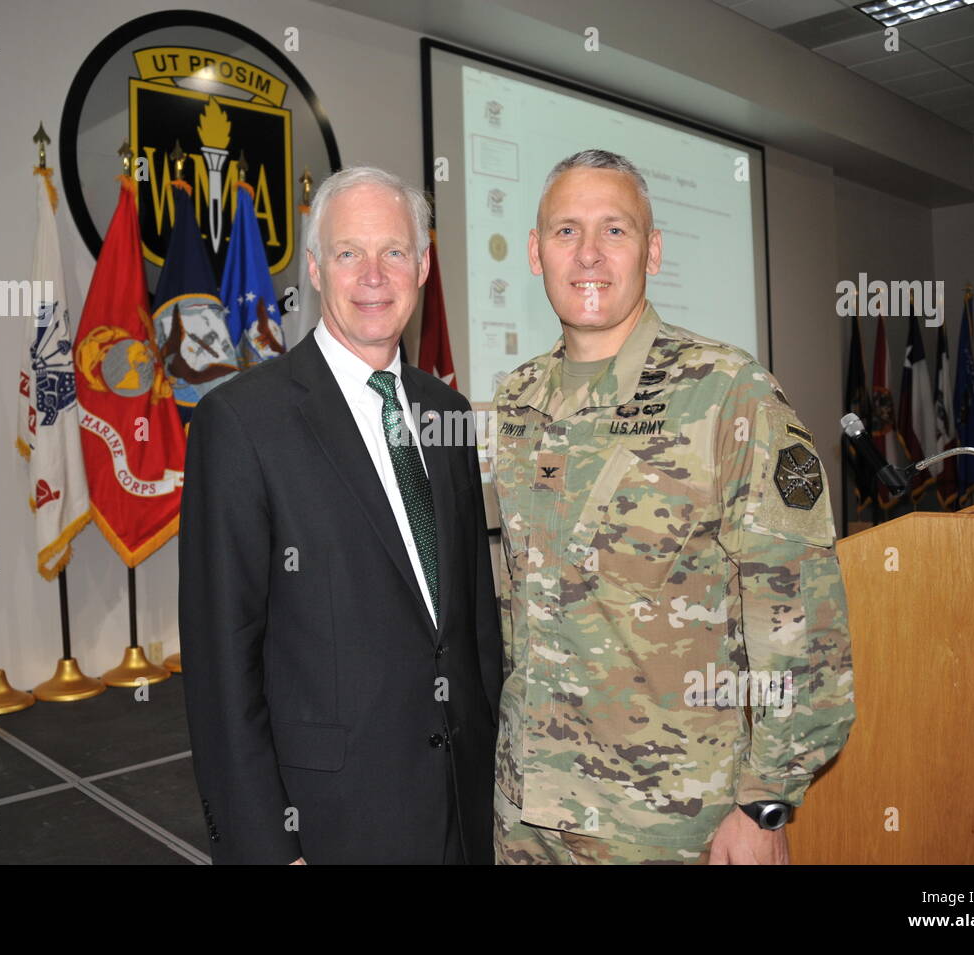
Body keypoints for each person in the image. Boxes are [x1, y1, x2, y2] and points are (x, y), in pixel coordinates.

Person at [491, 149, 854, 865]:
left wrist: (764, 803)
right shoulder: (516, 401)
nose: (588, 253)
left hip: (669, 828)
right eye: (566, 231)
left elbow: (801, 618)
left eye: (615, 230)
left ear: (651, 250)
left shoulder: (727, 392)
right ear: (535, 252)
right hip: (526, 819)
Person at [179, 166, 501, 864]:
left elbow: (473, 625)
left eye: (393, 251)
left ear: (421, 265)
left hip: (463, 807)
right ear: (318, 270)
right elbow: (220, 664)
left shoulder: (447, 415)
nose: (374, 275)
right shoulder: (240, 423)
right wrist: (265, 845)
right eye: (349, 252)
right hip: (331, 826)